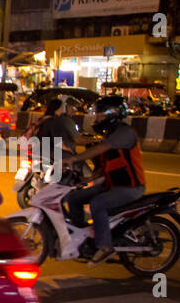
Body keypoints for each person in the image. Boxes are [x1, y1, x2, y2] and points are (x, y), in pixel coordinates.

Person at [60, 96, 145, 264]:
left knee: (97, 204)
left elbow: (100, 149)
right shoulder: (111, 134)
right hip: (111, 185)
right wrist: (87, 179)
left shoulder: (124, 133)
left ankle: (105, 246)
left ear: (111, 114)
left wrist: (74, 159)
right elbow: (107, 165)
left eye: (100, 115)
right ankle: (82, 238)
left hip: (129, 188)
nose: (96, 118)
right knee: (74, 198)